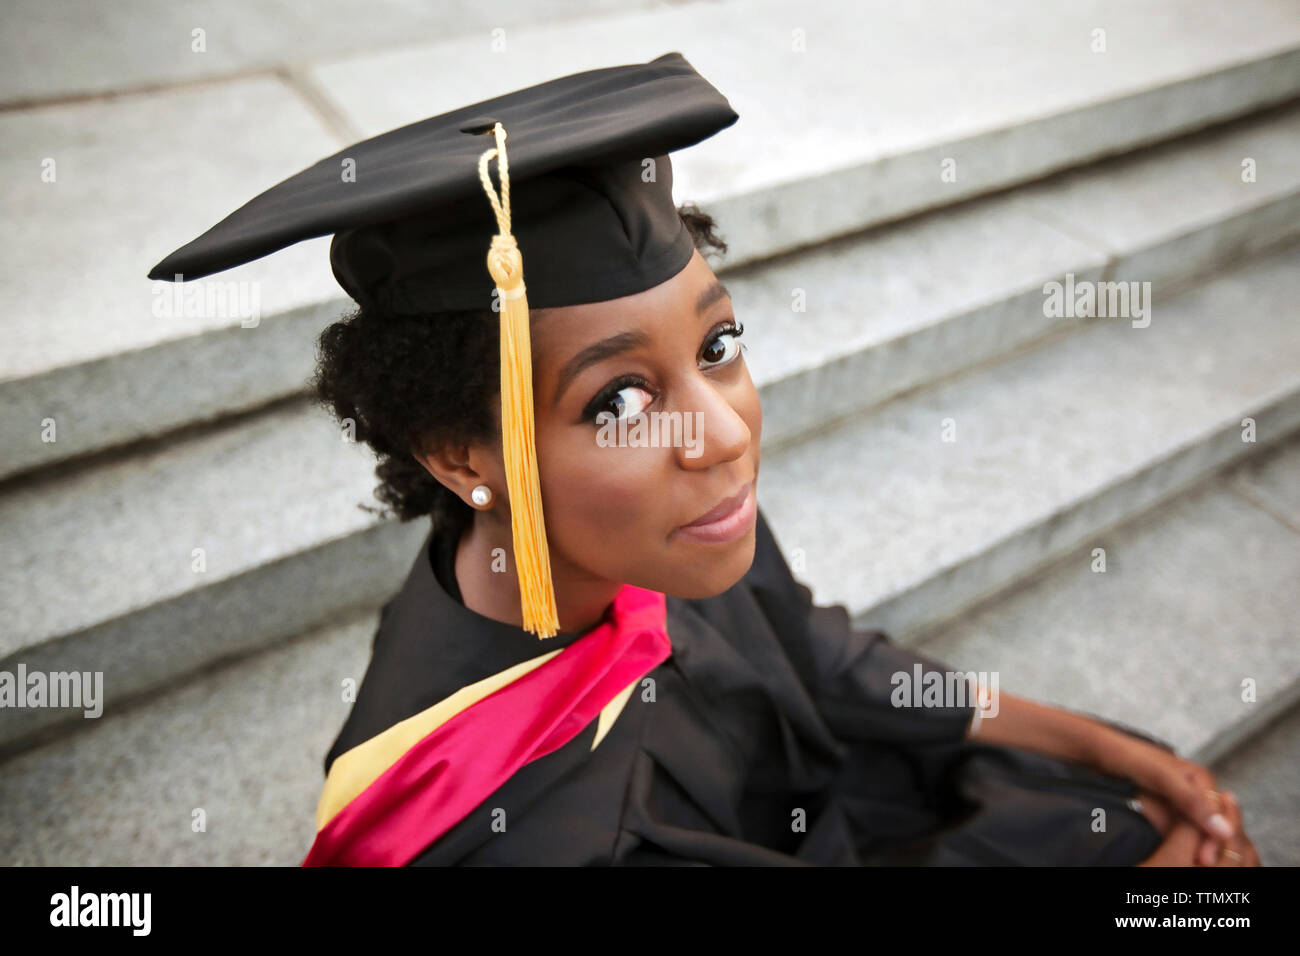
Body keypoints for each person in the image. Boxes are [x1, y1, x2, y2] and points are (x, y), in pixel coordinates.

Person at [148, 53, 1258, 867]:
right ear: (457, 453)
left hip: (830, 807)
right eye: (619, 398)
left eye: (717, 344)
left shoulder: (637, 528)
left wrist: (1118, 744)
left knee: (1127, 790)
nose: (722, 433)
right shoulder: (550, 832)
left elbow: (823, 656)